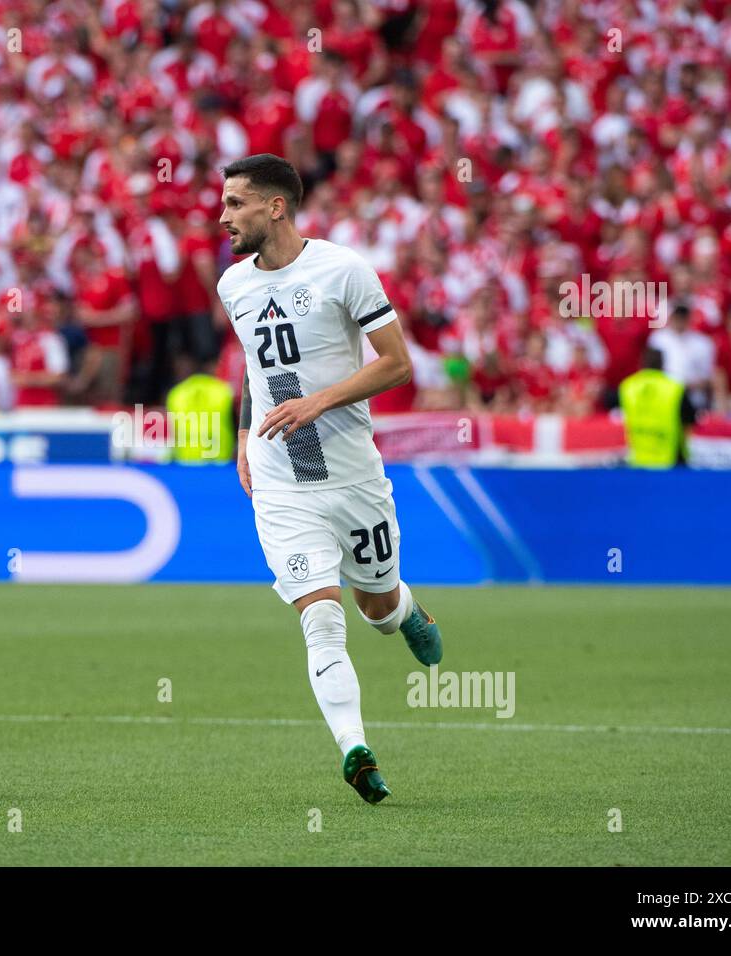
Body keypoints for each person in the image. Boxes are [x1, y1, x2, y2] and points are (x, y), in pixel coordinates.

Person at [217, 153, 442, 804]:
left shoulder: (345, 270)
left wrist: (319, 401)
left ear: (275, 207)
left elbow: (398, 365)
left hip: (350, 475)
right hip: (281, 479)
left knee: (372, 609)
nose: (223, 216)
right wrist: (241, 437)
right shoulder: (235, 284)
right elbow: (253, 370)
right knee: (321, 616)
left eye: (236, 203)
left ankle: (402, 606)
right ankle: (356, 749)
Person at [618, 347, 696, 468]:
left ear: (641, 363)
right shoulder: (675, 388)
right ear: (662, 364)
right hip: (671, 459)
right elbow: (689, 421)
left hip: (638, 459)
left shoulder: (627, 386)